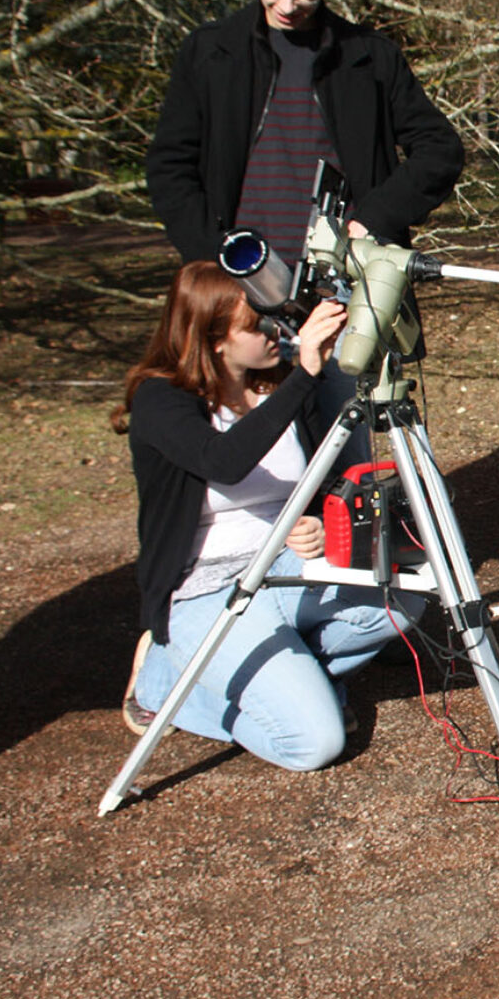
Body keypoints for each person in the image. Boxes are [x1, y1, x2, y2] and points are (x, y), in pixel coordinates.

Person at [114, 262, 422, 771]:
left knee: (403, 598)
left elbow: (322, 474)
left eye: (271, 319)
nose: (272, 334)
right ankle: (167, 685)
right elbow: (225, 462)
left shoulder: (273, 382)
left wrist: (319, 522)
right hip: (206, 590)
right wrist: (305, 376)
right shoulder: (161, 400)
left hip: (284, 568)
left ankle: (293, 681)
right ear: (213, 339)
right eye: (254, 326)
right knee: (314, 743)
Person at [147, 0, 463, 267]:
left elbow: (441, 150)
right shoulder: (210, 53)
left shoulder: (370, 58)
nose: (287, 5)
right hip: (236, 279)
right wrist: (210, 255)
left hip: (346, 276)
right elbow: (169, 166)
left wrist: (374, 220)